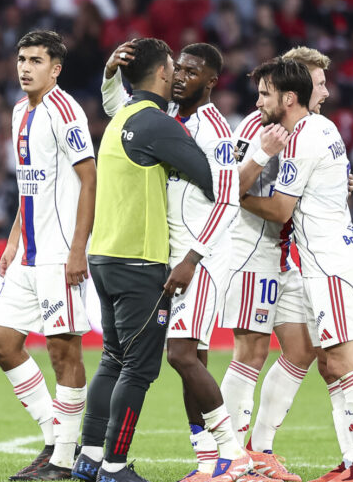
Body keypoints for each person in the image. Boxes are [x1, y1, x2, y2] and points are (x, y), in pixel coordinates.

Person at [99, 41, 254, 482]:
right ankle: (207, 459)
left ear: (210, 81)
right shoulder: (166, 120)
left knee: (181, 353)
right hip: (175, 256)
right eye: (178, 69)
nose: (181, 76)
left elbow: (227, 200)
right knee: (194, 357)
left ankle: (232, 452)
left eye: (192, 71)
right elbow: (118, 112)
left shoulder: (216, 131)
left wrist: (191, 258)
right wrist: (112, 72)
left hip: (202, 258)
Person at [74, 38, 219, 482]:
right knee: (138, 369)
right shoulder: (157, 124)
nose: (178, 74)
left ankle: (89, 458)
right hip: (139, 262)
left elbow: (116, 97)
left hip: (104, 254)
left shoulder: (122, 117)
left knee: (112, 361)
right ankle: (114, 467)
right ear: (161, 74)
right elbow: (212, 177)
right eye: (174, 67)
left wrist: (108, 72)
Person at [240, 58, 353, 482]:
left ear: (286, 98)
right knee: (328, 364)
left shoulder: (303, 136)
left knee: (343, 362)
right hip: (330, 258)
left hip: (330, 264)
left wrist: (236, 194)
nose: (258, 101)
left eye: (265, 93)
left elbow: (281, 208)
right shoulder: (323, 128)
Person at [217, 46, 336, 482]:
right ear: (293, 86)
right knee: (250, 350)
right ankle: (229, 457)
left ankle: (261, 449)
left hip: (287, 256)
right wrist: (262, 155)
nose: (324, 91)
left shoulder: (312, 131)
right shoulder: (256, 125)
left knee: (302, 350)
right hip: (252, 251)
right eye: (318, 82)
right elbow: (230, 186)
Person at [0, 30, 96, 481]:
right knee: (3, 345)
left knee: (62, 352)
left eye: (35, 60)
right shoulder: (19, 112)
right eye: (21, 59)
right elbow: (29, 185)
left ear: (56, 69)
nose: (24, 67)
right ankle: (57, 439)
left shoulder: (65, 111)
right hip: (29, 254)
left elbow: (89, 180)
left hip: (59, 256)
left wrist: (77, 250)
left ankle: (65, 461)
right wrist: (14, 239)